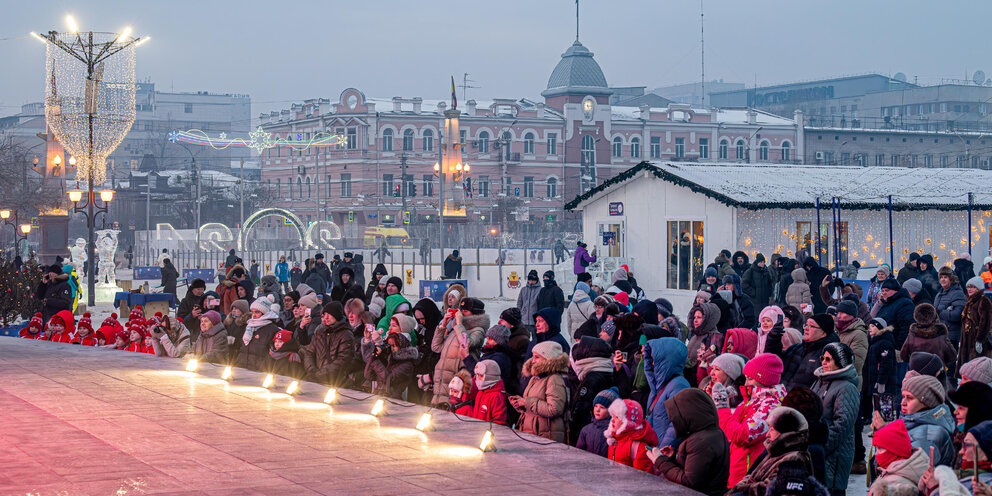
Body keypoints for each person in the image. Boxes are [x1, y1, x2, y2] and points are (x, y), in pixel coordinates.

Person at [715, 353, 787, 487]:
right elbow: (727, 429)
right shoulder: (751, 400)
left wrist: (722, 406)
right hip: (735, 466)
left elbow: (742, 436)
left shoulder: (770, 406)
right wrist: (716, 403)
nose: (746, 383)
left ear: (763, 380)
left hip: (747, 473)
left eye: (750, 379)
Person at [647, 388, 730, 496]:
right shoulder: (711, 432)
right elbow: (696, 470)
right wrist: (673, 457)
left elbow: (689, 481)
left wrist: (660, 461)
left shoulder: (700, 441)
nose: (673, 421)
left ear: (688, 414)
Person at [873, 374, 955, 467]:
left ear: (926, 402)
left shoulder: (929, 436)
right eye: (903, 396)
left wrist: (885, 435)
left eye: (910, 398)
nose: (902, 403)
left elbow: (910, 470)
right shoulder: (914, 421)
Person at [811, 342, 860, 496]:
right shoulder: (820, 381)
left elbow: (843, 423)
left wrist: (822, 447)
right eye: (822, 358)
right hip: (819, 451)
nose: (824, 363)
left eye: (828, 359)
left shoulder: (847, 387)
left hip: (834, 454)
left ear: (840, 363)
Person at [730, 406, 814, 496]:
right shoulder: (777, 452)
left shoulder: (794, 459)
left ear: (784, 433)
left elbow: (770, 488)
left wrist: (741, 489)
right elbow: (752, 477)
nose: (767, 434)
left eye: (772, 429)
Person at [430, 297, 488, 406]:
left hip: (456, 386)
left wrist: (459, 324)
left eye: (465, 311)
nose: (461, 313)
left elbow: (466, 344)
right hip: (440, 384)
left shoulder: (478, 331)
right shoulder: (455, 330)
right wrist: (443, 326)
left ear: (475, 314)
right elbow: (436, 347)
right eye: (460, 311)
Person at [510, 340, 569, 442]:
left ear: (548, 359)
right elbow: (534, 406)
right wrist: (521, 405)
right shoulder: (535, 378)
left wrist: (526, 402)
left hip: (546, 437)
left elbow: (554, 409)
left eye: (537, 357)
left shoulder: (554, 379)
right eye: (533, 357)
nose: (533, 361)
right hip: (534, 433)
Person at [643, 337, 691, 448]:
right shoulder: (658, 386)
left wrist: (661, 451)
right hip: (653, 449)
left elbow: (676, 424)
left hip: (663, 453)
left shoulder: (679, 385)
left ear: (667, 360)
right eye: (650, 359)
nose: (652, 363)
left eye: (655, 359)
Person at [568, 337, 615, 445]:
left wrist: (573, 432)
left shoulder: (592, 378)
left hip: (587, 433)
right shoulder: (605, 372)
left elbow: (581, 409)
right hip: (598, 431)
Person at [867, 419, 929, 496]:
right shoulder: (892, 470)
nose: (876, 454)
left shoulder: (896, 488)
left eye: (880, 448)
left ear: (895, 450)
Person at [308, 302, 357, 386]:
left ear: (337, 316)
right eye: (324, 314)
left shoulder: (346, 334)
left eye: (329, 314)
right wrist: (311, 370)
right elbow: (309, 353)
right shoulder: (320, 332)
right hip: (315, 379)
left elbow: (343, 360)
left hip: (335, 382)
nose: (326, 317)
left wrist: (319, 374)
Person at [900, 303, 957, 372]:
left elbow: (903, 356)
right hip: (937, 374)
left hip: (916, 373)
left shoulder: (912, 336)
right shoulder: (941, 337)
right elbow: (952, 357)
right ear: (934, 317)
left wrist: (914, 361)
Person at [605, 398, 658, 473]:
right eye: (613, 416)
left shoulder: (639, 448)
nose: (612, 420)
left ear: (627, 423)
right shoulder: (615, 440)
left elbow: (642, 478)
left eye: (617, 417)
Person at [236, 295, 281, 372]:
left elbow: (273, 354)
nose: (253, 315)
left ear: (264, 313)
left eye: (257, 312)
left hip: (259, 371)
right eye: (252, 312)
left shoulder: (273, 330)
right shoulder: (249, 326)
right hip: (242, 368)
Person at [959, 276, 992, 377]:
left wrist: (979, 340)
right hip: (967, 338)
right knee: (967, 367)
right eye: (968, 287)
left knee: (977, 369)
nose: (969, 289)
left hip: (977, 339)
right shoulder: (970, 301)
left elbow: (986, 322)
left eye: (972, 287)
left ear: (978, 288)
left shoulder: (983, 301)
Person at [834, 299, 870, 389]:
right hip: (835, 380)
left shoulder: (859, 334)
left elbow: (855, 363)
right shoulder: (838, 330)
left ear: (851, 315)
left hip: (850, 383)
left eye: (842, 313)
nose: (838, 316)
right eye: (837, 313)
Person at [577, 387, 619, 457]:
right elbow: (579, 452)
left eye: (602, 407)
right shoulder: (586, 430)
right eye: (596, 406)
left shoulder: (614, 431)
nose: (597, 410)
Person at [934, 266, 967, 348]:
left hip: (951, 336)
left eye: (945, 277)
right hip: (940, 333)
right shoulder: (939, 294)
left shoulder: (957, 293)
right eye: (941, 277)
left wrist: (940, 312)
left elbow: (958, 314)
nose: (943, 279)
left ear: (951, 279)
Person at [470, 360, 507, 424]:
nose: (478, 379)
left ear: (490, 376)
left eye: (481, 376)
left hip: (486, 432)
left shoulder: (496, 396)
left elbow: (499, 421)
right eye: (477, 375)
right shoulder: (480, 392)